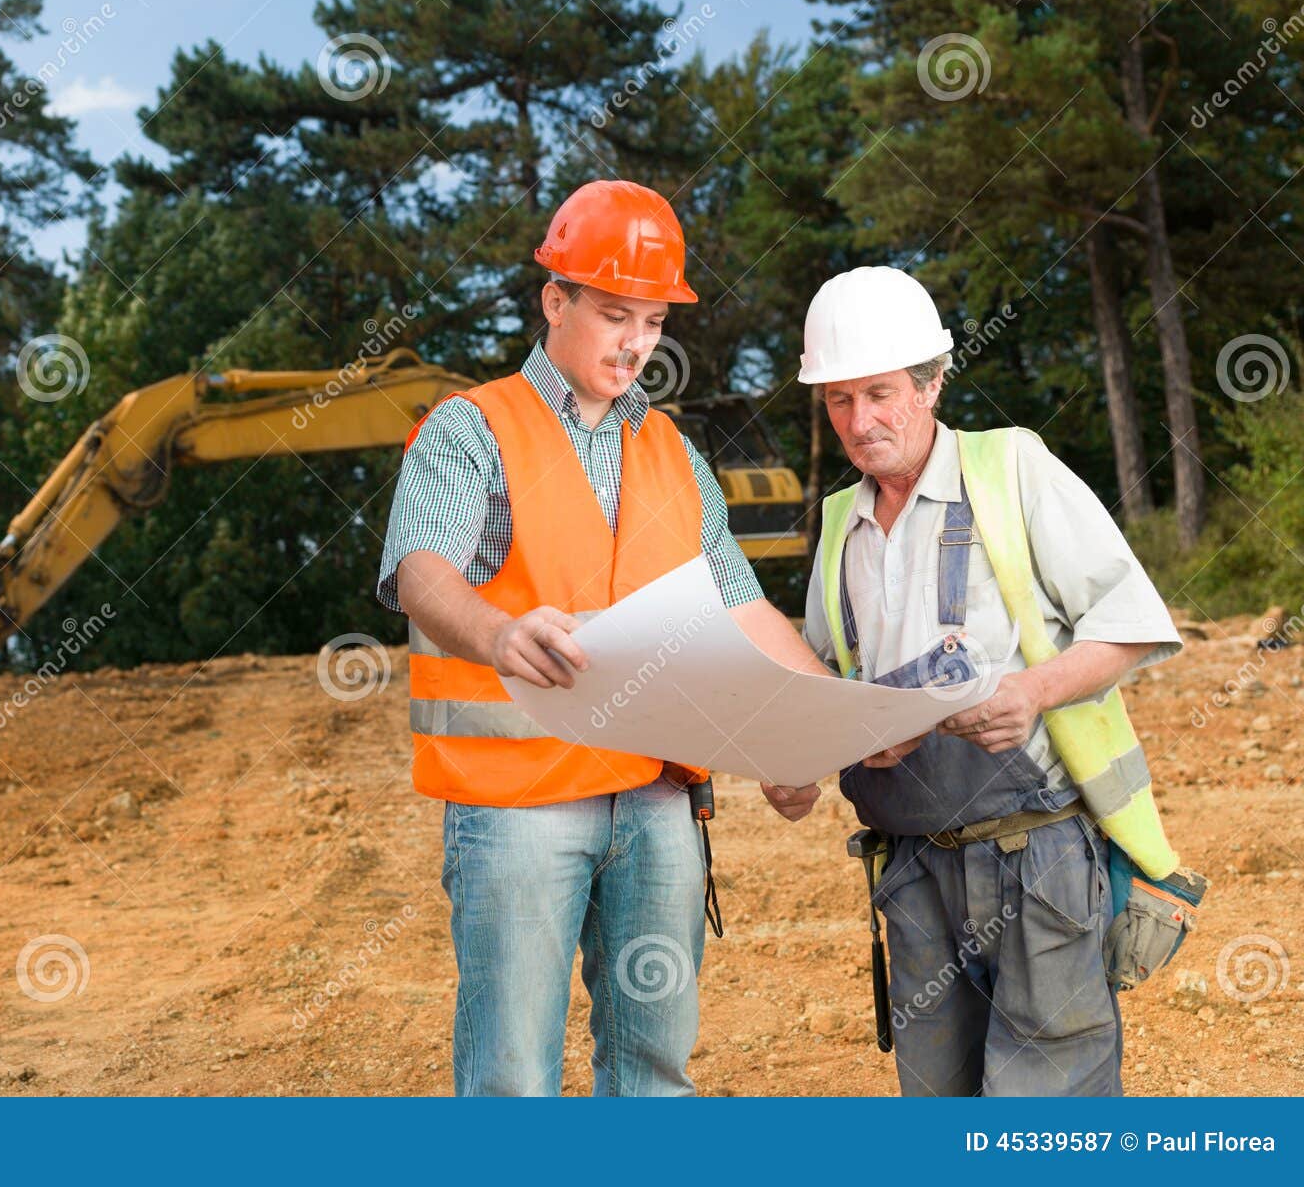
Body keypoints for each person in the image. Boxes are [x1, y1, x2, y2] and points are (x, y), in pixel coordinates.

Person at [376, 179, 826, 1096]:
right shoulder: (476, 429)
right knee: (513, 1076)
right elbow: (420, 572)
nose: (637, 343)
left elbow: (743, 608)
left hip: (660, 803)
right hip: (519, 813)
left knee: (655, 1071)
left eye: (655, 322)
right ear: (556, 299)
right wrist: (499, 634)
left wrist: (807, 728)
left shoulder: (672, 452)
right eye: (616, 314)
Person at [783, 265, 1202, 1096]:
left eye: (879, 394)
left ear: (933, 383)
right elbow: (824, 686)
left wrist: (1033, 693)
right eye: (838, 400)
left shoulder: (1012, 469)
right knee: (938, 1105)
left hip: (1036, 855)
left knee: (1050, 1118)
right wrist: (794, 765)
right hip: (909, 867)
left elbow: (1133, 622)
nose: (860, 423)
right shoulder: (840, 526)